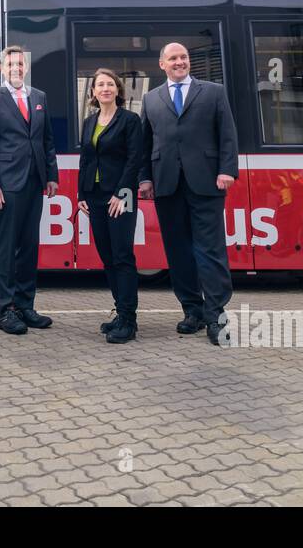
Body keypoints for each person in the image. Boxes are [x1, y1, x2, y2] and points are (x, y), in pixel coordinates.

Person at [138, 43, 239, 345]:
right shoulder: (150, 98)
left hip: (207, 182)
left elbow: (227, 134)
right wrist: (144, 179)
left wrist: (227, 170)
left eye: (183, 57)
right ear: (162, 64)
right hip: (167, 184)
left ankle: (216, 315)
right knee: (178, 251)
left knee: (209, 250)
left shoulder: (213, 92)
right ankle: (191, 311)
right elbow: (145, 143)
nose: (179, 62)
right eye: (173, 58)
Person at [0, 45, 58, 335]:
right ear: (1, 68)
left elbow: (47, 140)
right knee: (5, 248)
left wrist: (51, 176)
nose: (16, 68)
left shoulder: (39, 97)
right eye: (10, 64)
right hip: (7, 185)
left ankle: (26, 306)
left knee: (29, 247)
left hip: (35, 182)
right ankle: (6, 310)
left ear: (26, 67)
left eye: (20, 64)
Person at [76, 68, 144, 343]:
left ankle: (129, 320)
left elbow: (134, 160)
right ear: (93, 92)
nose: (105, 88)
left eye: (109, 84)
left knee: (122, 256)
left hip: (120, 197)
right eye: (99, 85)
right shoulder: (89, 122)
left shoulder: (130, 120)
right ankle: (120, 311)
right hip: (94, 196)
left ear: (117, 89)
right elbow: (85, 160)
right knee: (107, 257)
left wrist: (121, 194)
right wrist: (81, 193)